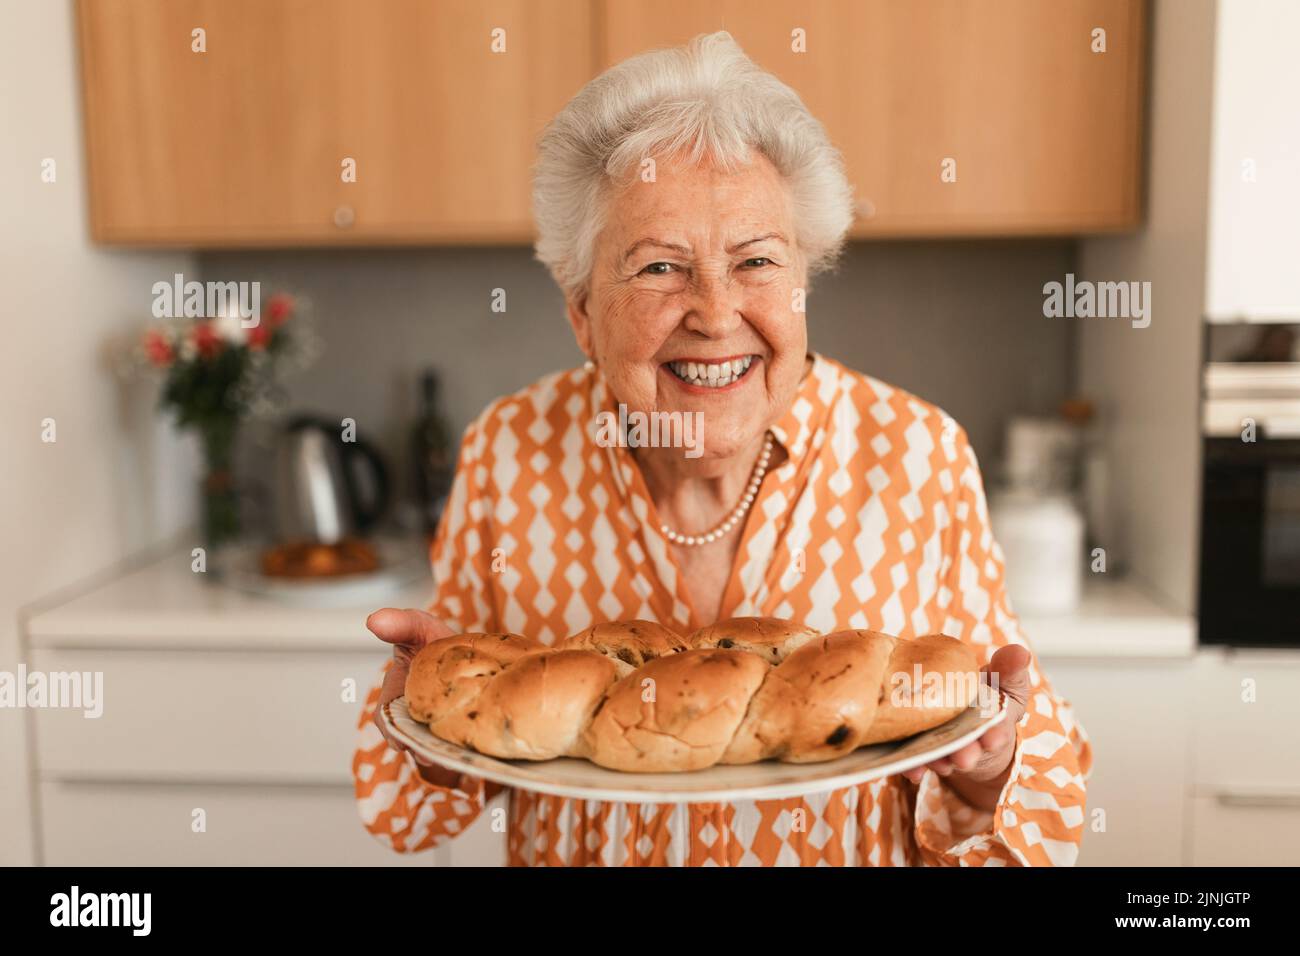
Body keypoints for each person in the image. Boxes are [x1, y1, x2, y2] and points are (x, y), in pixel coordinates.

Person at [353, 31, 1092, 866]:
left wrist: (988, 771)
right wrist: (423, 718)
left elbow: (1051, 818)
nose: (713, 311)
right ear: (582, 313)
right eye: (660, 268)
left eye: (756, 261)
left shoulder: (917, 455)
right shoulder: (510, 451)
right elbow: (402, 818)